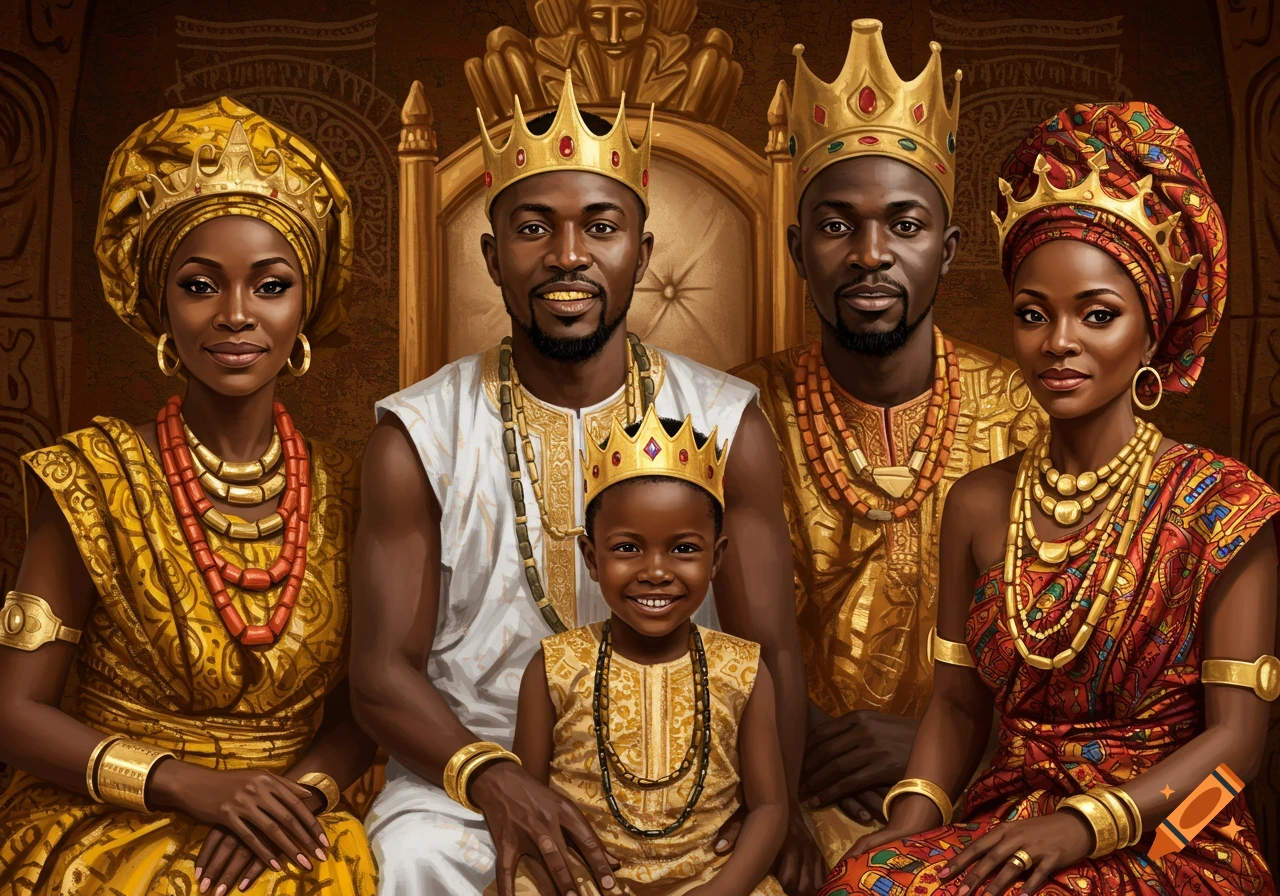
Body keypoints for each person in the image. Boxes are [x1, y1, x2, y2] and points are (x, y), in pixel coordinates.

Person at [352, 72, 809, 896]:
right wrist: (495, 780)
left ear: (642, 250)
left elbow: (771, 650)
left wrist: (781, 806)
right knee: (418, 858)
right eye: (534, 229)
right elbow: (381, 674)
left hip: (692, 789)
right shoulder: (418, 435)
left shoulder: (725, 421)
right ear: (492, 256)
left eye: (600, 227)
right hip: (468, 782)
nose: (568, 257)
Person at [819, 102, 1279, 896]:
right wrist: (904, 831)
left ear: (1153, 330)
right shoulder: (978, 503)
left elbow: (1239, 742)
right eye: (1034, 315)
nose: (1057, 343)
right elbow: (959, 712)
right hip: (1010, 819)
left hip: (1173, 832)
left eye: (1096, 315)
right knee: (863, 882)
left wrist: (1084, 826)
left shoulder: (1224, 507)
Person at [0, 98, 377, 896]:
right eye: (201, 285)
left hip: (294, 817)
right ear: (159, 305)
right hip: (112, 817)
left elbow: (359, 714)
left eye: (270, 286)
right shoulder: (93, 479)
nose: (237, 316)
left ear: (305, 307)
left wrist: (293, 799)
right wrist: (190, 786)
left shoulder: (353, 489)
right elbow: (13, 712)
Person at [731, 18, 1044, 865]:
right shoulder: (730, 412)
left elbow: (1083, 651)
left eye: (904, 226)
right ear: (799, 249)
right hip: (779, 783)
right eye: (837, 226)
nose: (871, 254)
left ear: (947, 252)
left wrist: (938, 744)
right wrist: (796, 747)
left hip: (987, 787)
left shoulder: (1030, 415)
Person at [487, 409, 789, 895]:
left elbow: (771, 808)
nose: (655, 571)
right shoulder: (555, 667)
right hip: (589, 881)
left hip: (711, 879)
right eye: (627, 548)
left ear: (719, 558)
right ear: (592, 558)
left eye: (684, 549)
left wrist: (722, 890)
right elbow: (533, 803)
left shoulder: (744, 669)